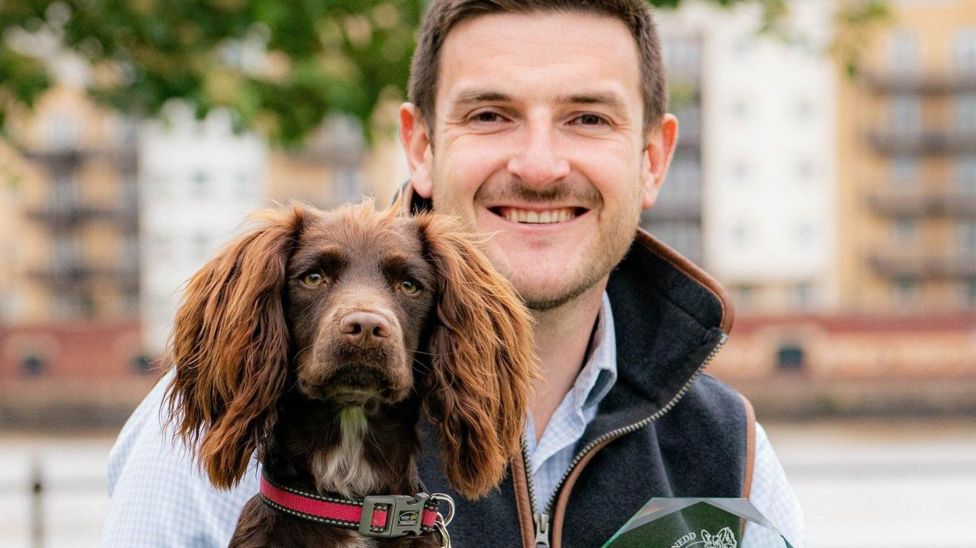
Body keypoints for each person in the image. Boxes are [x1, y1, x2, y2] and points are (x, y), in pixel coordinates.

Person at [104, 1, 805, 546]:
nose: (538, 165)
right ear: (420, 145)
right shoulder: (226, 415)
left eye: (587, 118)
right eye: (491, 114)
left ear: (653, 158)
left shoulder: (726, 450)